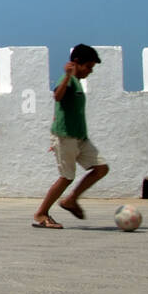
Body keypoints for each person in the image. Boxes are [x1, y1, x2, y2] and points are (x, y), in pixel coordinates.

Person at [32, 44, 109, 228]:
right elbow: (57, 97)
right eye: (88, 67)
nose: (90, 71)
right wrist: (67, 75)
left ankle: (71, 200)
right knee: (66, 177)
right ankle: (41, 214)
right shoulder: (67, 80)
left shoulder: (77, 82)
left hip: (80, 138)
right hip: (65, 137)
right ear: (76, 63)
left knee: (101, 168)